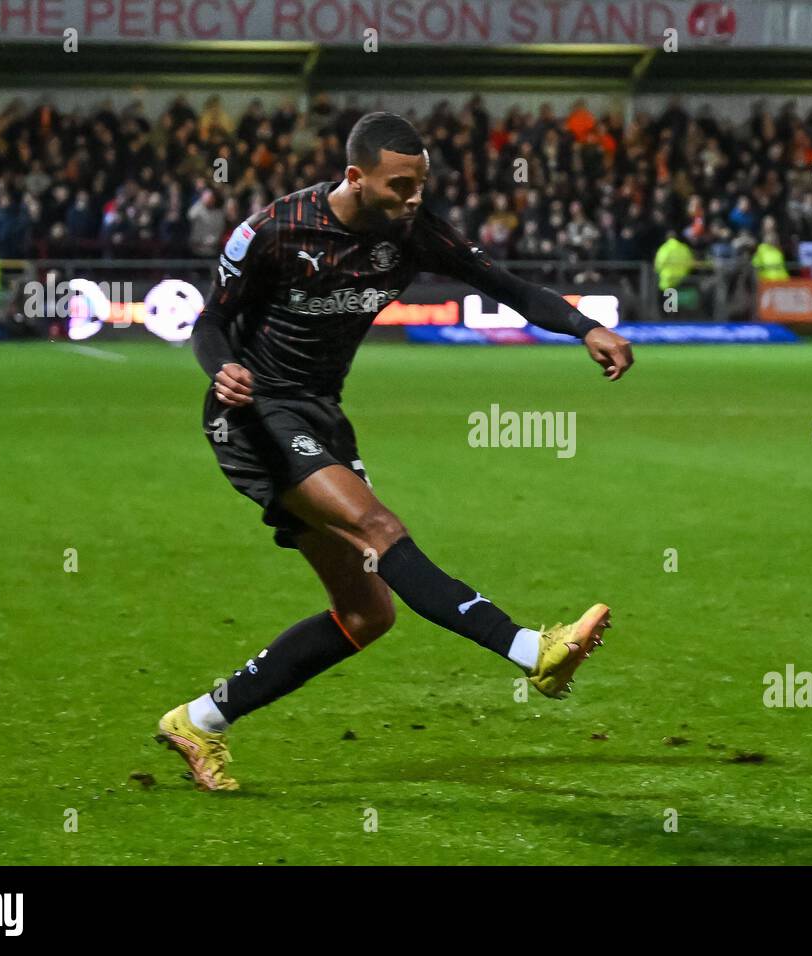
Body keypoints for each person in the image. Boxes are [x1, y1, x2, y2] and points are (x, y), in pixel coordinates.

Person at [157, 112, 634, 792]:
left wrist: (586, 327)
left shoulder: (414, 233)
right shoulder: (274, 230)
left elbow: (511, 289)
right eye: (400, 185)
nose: (413, 198)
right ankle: (533, 649)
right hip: (255, 414)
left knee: (366, 614)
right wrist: (220, 368)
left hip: (322, 417)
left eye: (421, 184)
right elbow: (211, 323)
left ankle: (199, 721)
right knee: (378, 529)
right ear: (355, 177)